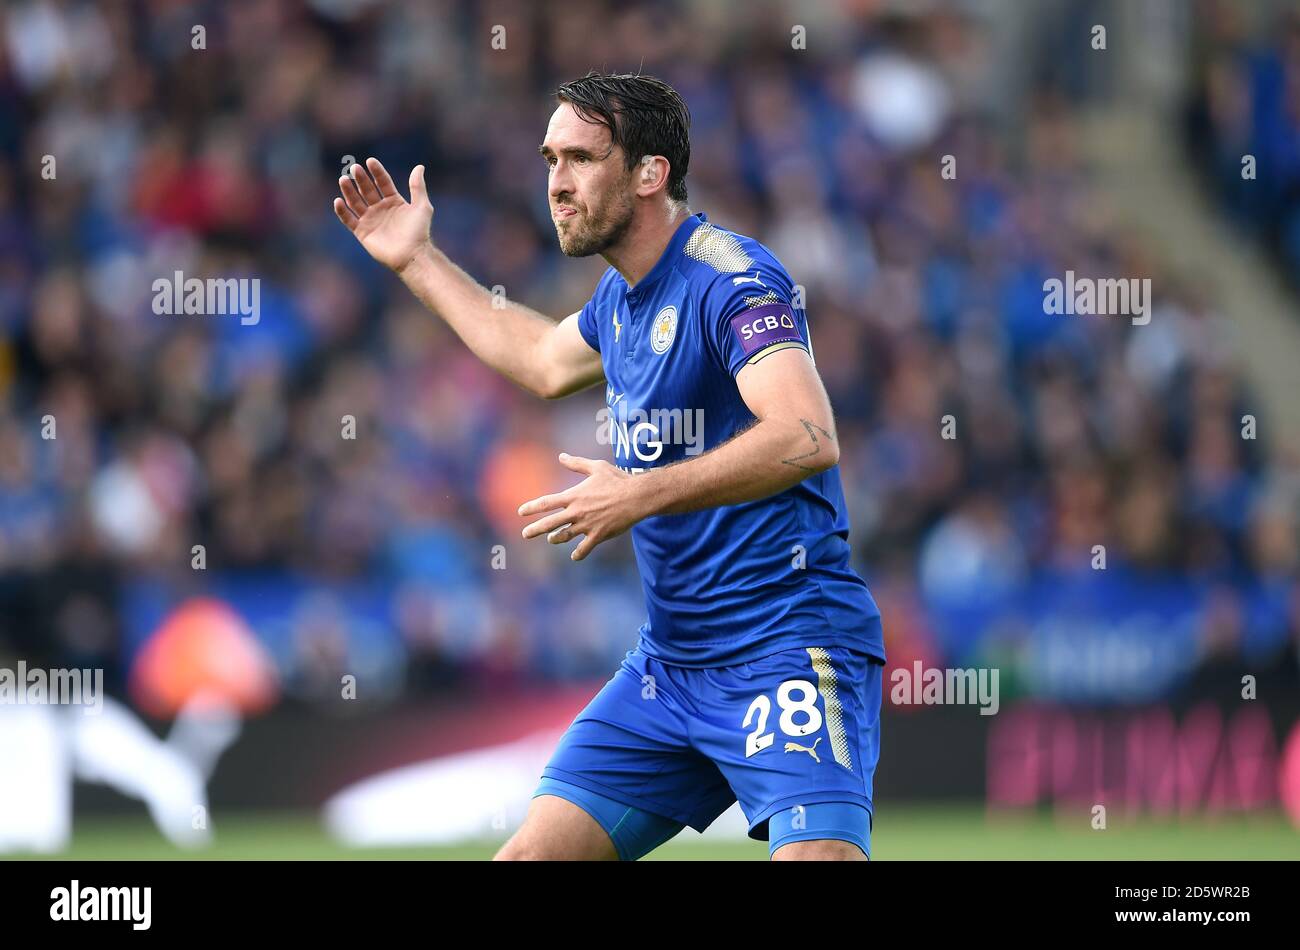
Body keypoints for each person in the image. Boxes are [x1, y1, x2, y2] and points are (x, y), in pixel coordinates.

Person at [333, 70, 885, 861]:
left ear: (650, 173)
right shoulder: (620, 298)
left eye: (580, 160)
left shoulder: (732, 279)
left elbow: (806, 433)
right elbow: (541, 361)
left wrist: (640, 494)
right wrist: (417, 260)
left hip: (787, 645)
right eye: (550, 159)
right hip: (673, 665)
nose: (556, 184)